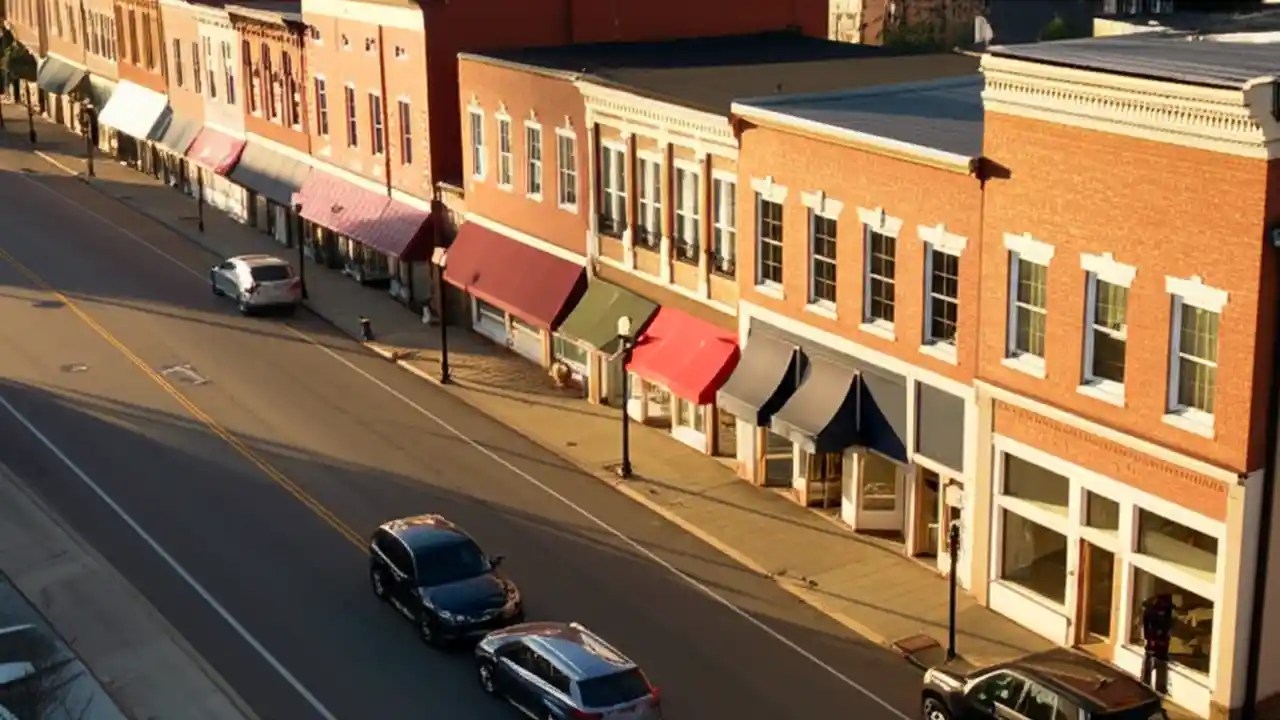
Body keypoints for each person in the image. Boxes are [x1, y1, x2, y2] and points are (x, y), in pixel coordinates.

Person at [1141, 593, 1174, 694]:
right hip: (1155, 644)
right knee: (1154, 662)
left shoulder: (1160, 612)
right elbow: (1148, 628)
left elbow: (1166, 627)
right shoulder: (1151, 613)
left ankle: (1152, 685)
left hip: (1158, 645)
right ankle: (1149, 685)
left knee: (1158, 662)